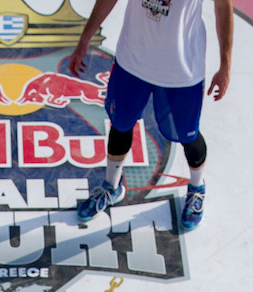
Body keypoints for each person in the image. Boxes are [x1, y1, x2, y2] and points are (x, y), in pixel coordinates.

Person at [70, 0, 233, 232]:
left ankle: (197, 187)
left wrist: (225, 64)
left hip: (181, 69)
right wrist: (85, 38)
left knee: (187, 134)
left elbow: (223, 6)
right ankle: (111, 186)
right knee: (120, 124)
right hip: (132, 61)